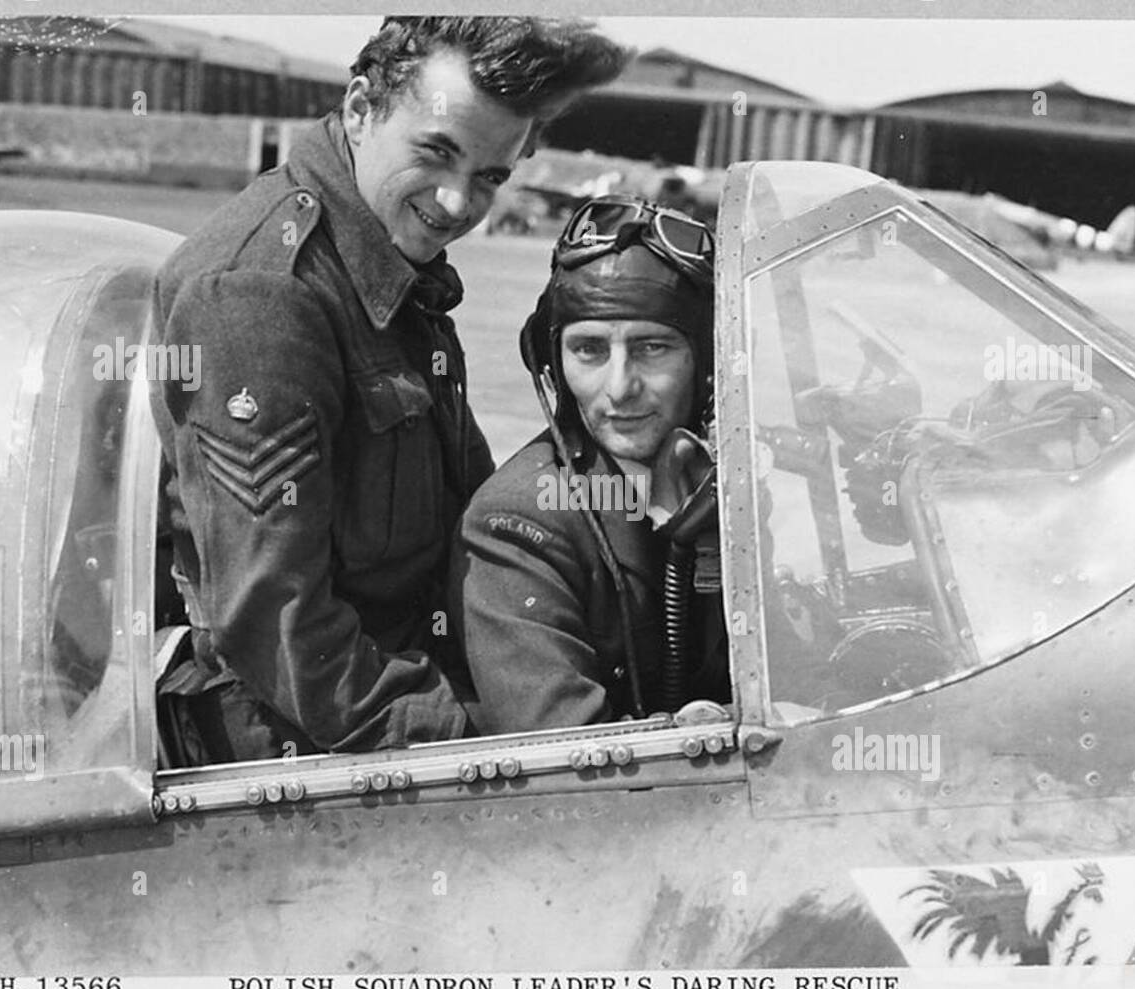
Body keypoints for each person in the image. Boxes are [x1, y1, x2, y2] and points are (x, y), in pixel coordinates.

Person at [150, 17, 629, 764]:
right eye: (436, 153)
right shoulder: (263, 293)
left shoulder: (386, 262)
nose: (454, 202)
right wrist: (469, 744)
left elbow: (465, 521)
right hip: (304, 751)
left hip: (402, 688)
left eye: (490, 177)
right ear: (360, 107)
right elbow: (276, 625)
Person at [449, 196, 729, 734]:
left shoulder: (737, 483)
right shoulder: (519, 523)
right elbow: (569, 754)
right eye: (589, 350)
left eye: (652, 348)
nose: (620, 388)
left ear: (709, 361)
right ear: (553, 362)